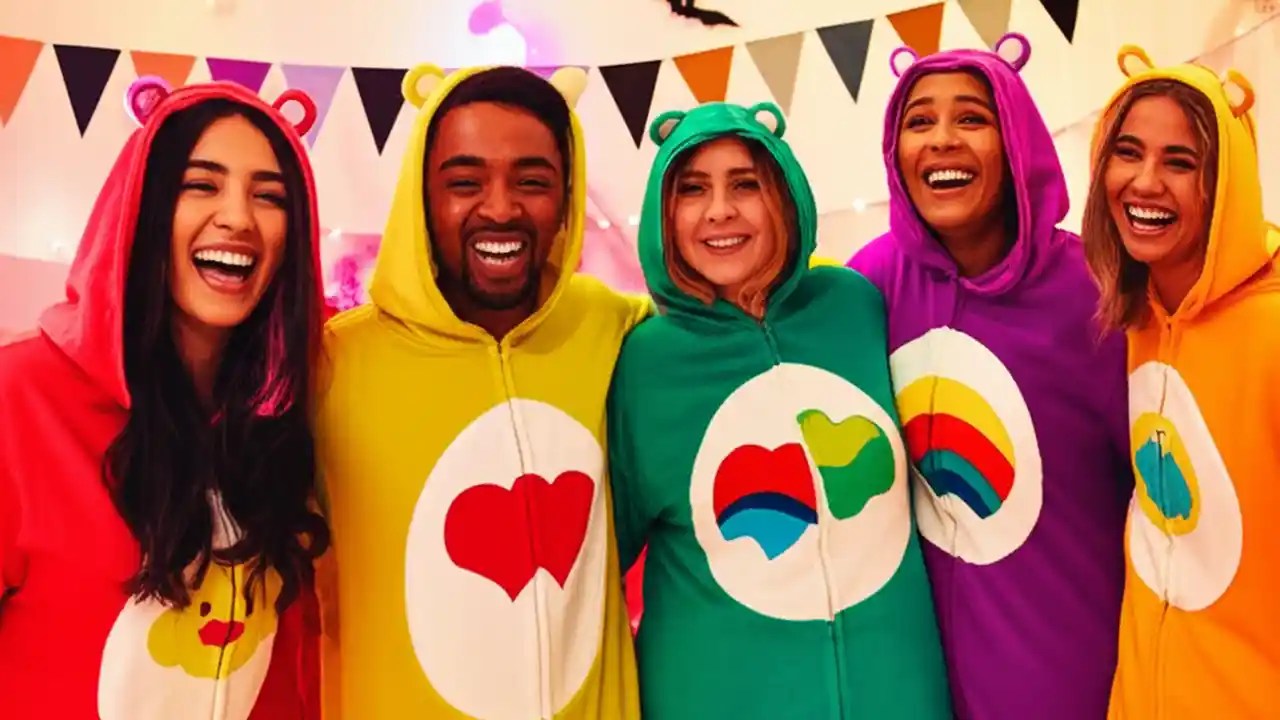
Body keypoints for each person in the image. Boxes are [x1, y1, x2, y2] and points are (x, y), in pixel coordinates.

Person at [313, 64, 648, 719]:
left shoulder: (617, 330)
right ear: (421, 197)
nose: (500, 208)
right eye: (464, 182)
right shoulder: (331, 365)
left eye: (533, 182)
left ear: (568, 197)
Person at [608, 100, 951, 719]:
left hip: (898, 690)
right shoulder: (643, 364)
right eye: (691, 189)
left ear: (785, 197)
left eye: (746, 184)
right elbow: (603, 558)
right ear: (664, 212)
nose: (720, 210)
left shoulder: (854, 306)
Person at [0, 77, 329, 720]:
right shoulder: (21, 398)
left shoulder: (295, 414)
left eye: (270, 196)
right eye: (200, 184)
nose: (237, 216)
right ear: (142, 210)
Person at [847, 33, 1133, 719]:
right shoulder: (869, 285)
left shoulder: (1099, 289)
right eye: (919, 121)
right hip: (916, 679)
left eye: (971, 117)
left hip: (1070, 668)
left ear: (1017, 141)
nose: (942, 139)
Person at [1081, 45, 1280, 719]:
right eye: (1127, 152)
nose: (1144, 182)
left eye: (1181, 162)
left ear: (1226, 182)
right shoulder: (1135, 323)